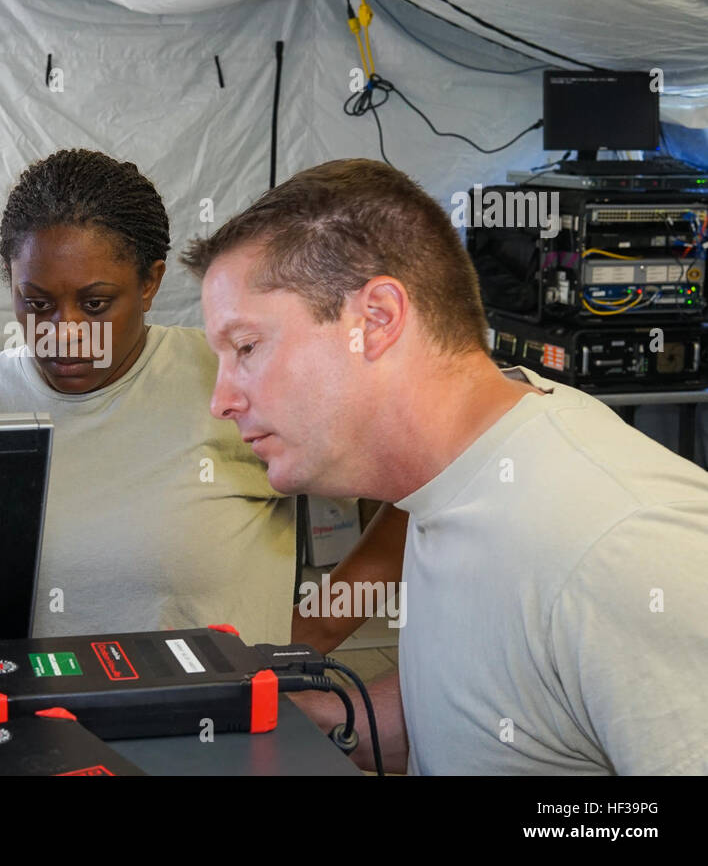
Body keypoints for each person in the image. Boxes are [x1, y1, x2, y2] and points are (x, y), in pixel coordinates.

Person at [183, 158, 708, 775]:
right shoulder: (448, 481)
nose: (223, 400)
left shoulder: (623, 546)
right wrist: (308, 714)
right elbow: (490, 717)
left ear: (375, 320)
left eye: (246, 347)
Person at [0, 148, 297, 642]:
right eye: (37, 303)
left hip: (208, 716)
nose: (64, 332)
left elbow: (405, 483)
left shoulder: (231, 379)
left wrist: (304, 644)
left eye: (96, 303)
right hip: (33, 711)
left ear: (150, 282)